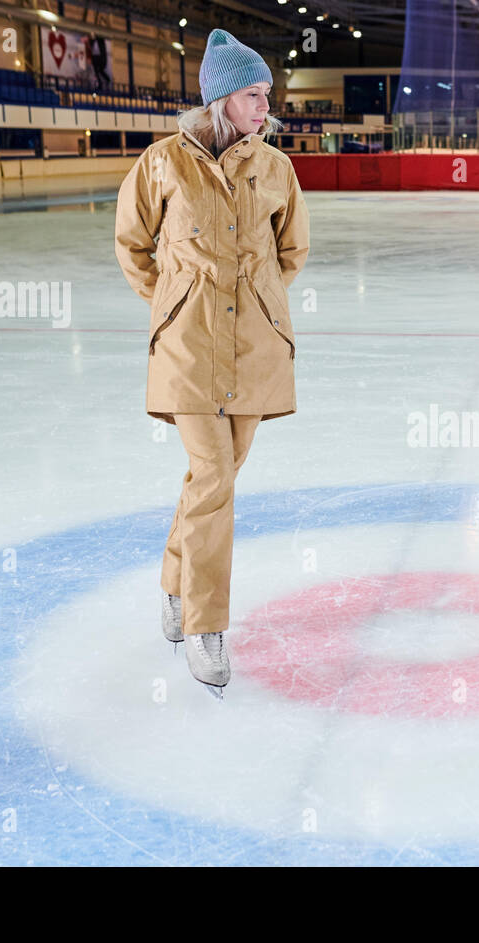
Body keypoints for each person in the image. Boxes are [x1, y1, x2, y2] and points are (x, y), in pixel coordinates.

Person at [115, 28, 310, 696]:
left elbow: (293, 251)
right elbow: (132, 245)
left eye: (267, 96)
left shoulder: (276, 168)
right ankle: (205, 623)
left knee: (213, 479)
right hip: (188, 350)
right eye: (255, 95)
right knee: (215, 475)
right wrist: (173, 305)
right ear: (224, 98)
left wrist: (257, 299)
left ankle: (174, 582)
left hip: (255, 348)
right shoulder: (162, 163)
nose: (266, 106)